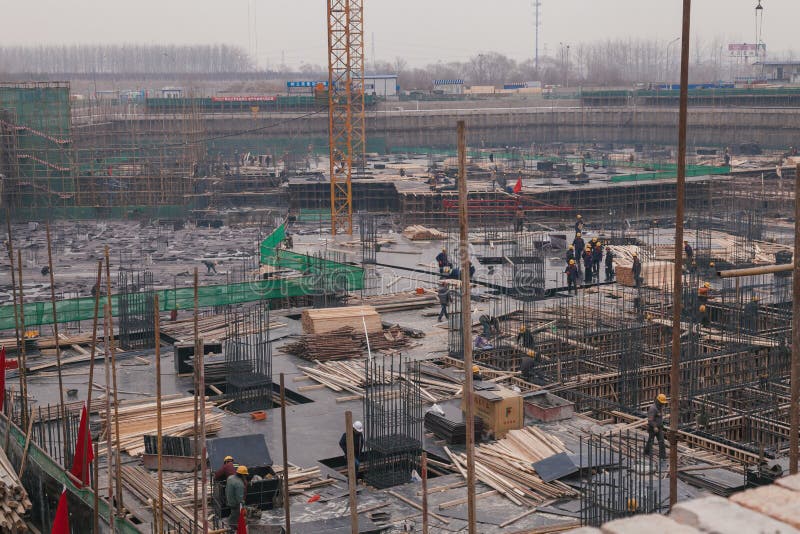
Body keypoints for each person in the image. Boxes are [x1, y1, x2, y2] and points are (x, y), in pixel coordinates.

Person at [643, 394, 668, 461]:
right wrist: (655, 426)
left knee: (661, 442)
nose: (663, 404)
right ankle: (646, 452)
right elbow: (650, 420)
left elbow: (659, 417)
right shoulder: (653, 408)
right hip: (652, 428)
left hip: (659, 428)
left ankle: (662, 457)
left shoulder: (659, 407)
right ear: (658, 401)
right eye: (662, 403)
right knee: (650, 441)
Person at [225, 465, 248, 532]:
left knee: (234, 514)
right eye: (245, 475)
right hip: (234, 504)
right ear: (243, 475)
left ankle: (231, 525)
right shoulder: (239, 484)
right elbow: (239, 499)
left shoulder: (230, 478)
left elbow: (226, 489)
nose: (246, 476)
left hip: (228, 499)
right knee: (235, 516)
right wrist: (244, 506)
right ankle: (231, 528)